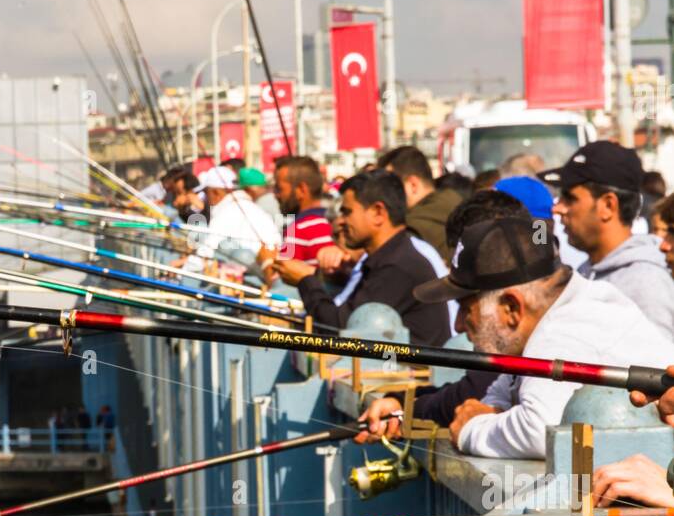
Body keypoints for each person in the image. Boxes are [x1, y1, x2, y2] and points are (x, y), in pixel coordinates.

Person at [405, 214, 674, 460]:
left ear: (512, 308)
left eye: (466, 309)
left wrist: (470, 431)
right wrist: (487, 415)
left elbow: (540, 431)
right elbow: (496, 398)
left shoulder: (565, 330)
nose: (459, 324)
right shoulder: (553, 318)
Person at [358, 190, 529, 439]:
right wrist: (403, 403)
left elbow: (475, 396)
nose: (459, 325)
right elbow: (473, 393)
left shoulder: (552, 334)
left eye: (464, 254)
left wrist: (408, 408)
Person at [277, 170, 450, 345]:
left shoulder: (398, 266)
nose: (341, 221)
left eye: (347, 212)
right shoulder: (389, 256)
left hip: (405, 369)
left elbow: (341, 329)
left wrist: (305, 280)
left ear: (378, 212)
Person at [542, 140, 674, 335]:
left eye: (570, 198)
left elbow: (657, 363)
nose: (557, 208)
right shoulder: (588, 269)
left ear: (608, 206)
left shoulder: (644, 284)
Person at [186, 165, 279, 271]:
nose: (206, 197)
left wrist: (181, 271)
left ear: (216, 192)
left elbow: (206, 254)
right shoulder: (253, 208)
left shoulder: (226, 213)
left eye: (207, 192)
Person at [379, 145, 463, 262]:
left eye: (390, 187)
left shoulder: (411, 227)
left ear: (413, 185)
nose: (385, 196)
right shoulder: (457, 204)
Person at [261, 155, 334, 275]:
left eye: (279, 189)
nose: (275, 195)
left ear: (301, 190)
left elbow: (281, 285)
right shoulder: (331, 221)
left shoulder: (298, 229)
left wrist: (266, 261)